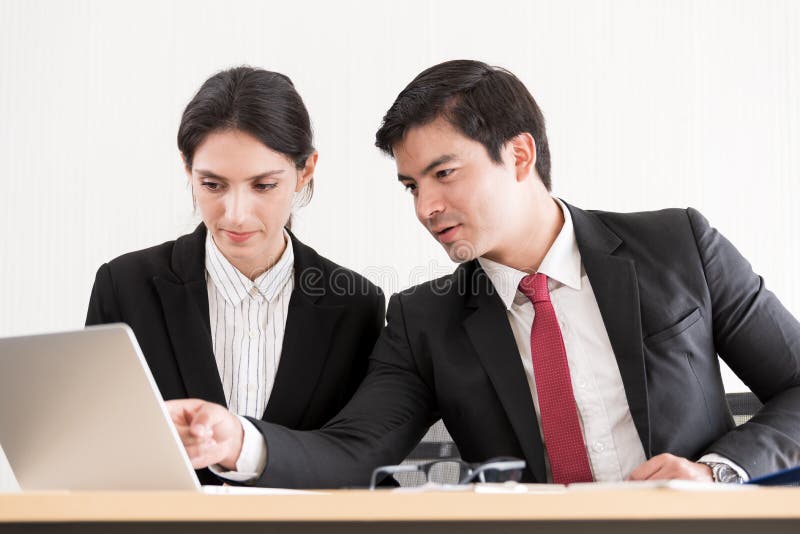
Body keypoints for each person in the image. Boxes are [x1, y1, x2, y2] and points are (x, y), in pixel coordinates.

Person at [166, 60, 800, 488]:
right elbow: (356, 449)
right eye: (411, 185)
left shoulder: (677, 244)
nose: (425, 207)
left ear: (519, 154)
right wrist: (236, 441)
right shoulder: (422, 322)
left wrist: (718, 471)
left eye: (445, 174)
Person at [85, 66, 385, 485]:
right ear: (187, 169)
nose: (236, 214)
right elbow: (93, 448)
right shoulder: (125, 286)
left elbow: (354, 458)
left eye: (263, 186)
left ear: (306, 170)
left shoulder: (355, 304)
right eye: (212, 184)